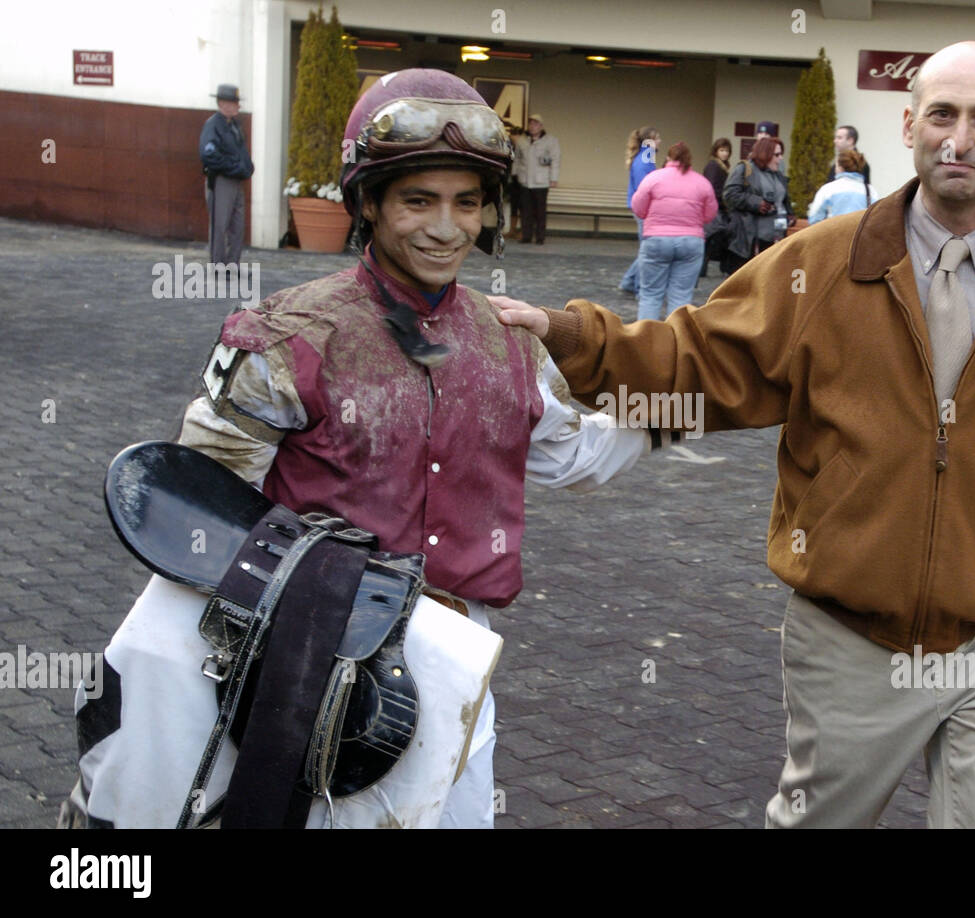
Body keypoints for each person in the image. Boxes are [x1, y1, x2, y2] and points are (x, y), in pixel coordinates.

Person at [494, 40, 975, 828]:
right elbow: (705, 359)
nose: (961, 137)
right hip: (854, 641)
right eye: (942, 114)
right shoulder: (820, 265)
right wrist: (576, 338)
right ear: (910, 125)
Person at [175, 70, 655, 827]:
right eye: (418, 201)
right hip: (300, 660)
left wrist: (674, 407)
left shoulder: (509, 340)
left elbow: (568, 456)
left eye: (467, 203)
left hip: (459, 657)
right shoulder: (287, 334)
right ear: (368, 204)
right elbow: (203, 502)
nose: (446, 228)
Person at [630, 141, 717, 321]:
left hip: (656, 240)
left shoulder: (654, 178)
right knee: (681, 296)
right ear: (689, 160)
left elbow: (638, 207)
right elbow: (710, 214)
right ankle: (677, 341)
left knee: (650, 294)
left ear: (669, 158)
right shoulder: (702, 183)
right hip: (691, 242)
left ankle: (645, 341)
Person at [199, 84, 254, 265]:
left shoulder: (235, 126)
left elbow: (241, 152)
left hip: (236, 181)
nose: (235, 106)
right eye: (230, 103)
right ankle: (218, 264)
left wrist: (246, 167)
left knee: (237, 226)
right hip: (221, 181)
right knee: (220, 225)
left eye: (236, 103)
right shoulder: (213, 125)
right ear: (220, 104)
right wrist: (234, 167)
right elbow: (208, 155)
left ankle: (232, 264)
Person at [721, 136, 791, 268]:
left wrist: (789, 215)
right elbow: (729, 194)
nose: (780, 158)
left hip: (776, 237)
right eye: (776, 155)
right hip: (751, 238)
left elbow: (783, 200)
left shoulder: (778, 174)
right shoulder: (746, 169)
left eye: (781, 154)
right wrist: (757, 203)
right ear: (765, 154)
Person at [619, 126, 660, 294]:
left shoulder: (644, 156)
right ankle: (636, 285)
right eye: (657, 138)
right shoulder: (646, 158)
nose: (660, 141)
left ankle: (629, 281)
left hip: (639, 207)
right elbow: (645, 187)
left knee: (645, 248)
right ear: (650, 140)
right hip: (644, 209)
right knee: (646, 249)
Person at [518, 113, 560, 244]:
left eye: (535, 124)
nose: (532, 126)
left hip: (541, 182)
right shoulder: (522, 140)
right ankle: (526, 236)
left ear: (541, 126)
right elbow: (518, 159)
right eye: (530, 123)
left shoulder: (551, 141)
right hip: (525, 181)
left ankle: (540, 237)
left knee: (540, 212)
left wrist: (554, 178)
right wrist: (515, 175)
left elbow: (555, 160)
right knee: (526, 211)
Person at [807, 149, 879, 224]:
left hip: (833, 234)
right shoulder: (871, 191)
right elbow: (875, 218)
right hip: (859, 235)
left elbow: (814, 218)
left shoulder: (828, 189)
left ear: (840, 168)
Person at [700, 138, 733, 277]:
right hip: (716, 208)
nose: (725, 153)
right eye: (722, 150)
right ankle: (703, 268)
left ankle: (703, 268)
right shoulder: (714, 166)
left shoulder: (721, 166)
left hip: (716, 207)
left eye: (727, 151)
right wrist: (724, 203)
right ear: (716, 151)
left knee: (710, 240)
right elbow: (713, 188)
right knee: (711, 239)